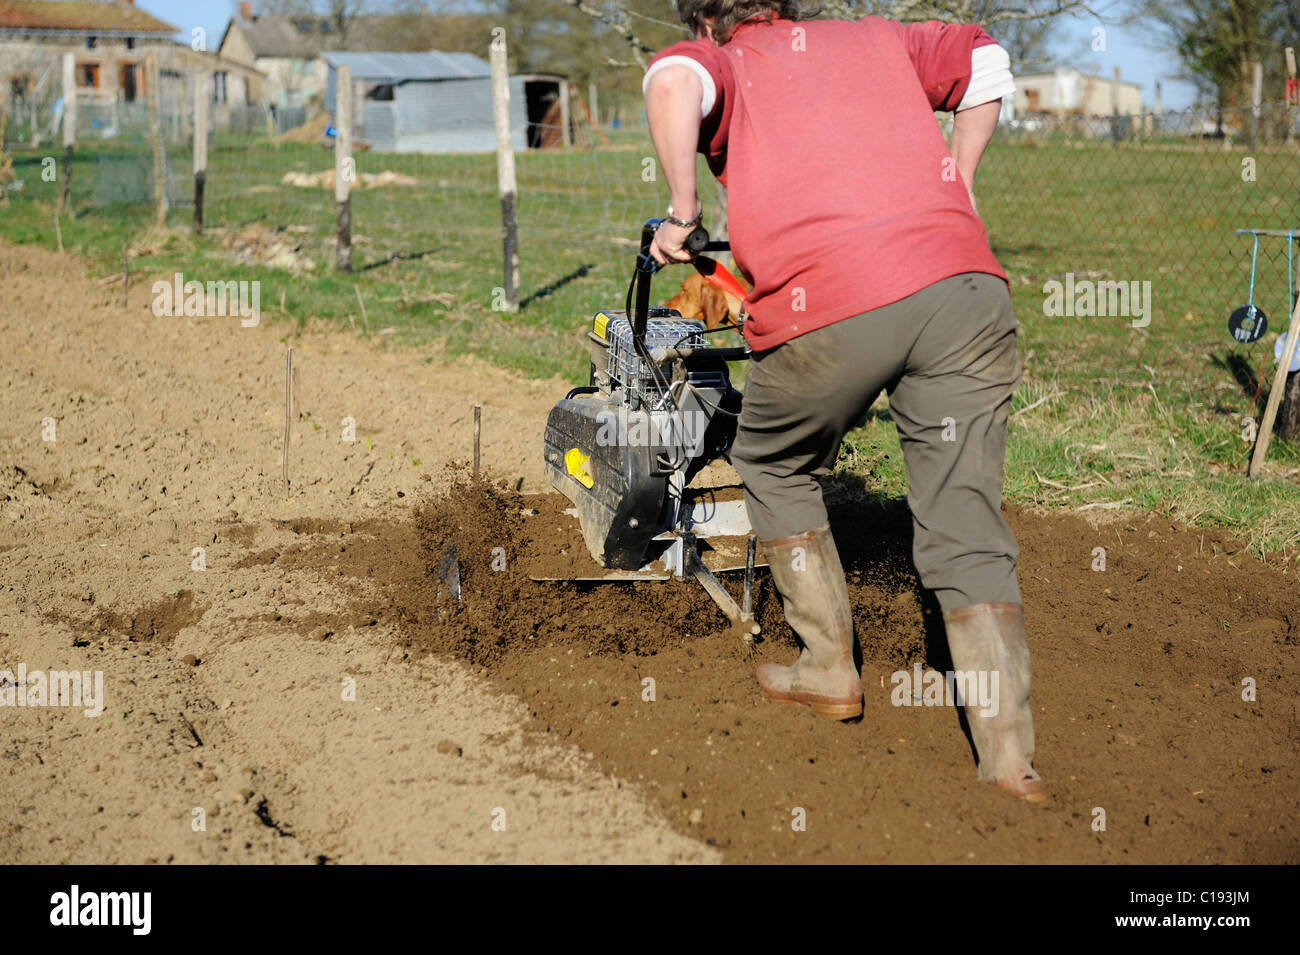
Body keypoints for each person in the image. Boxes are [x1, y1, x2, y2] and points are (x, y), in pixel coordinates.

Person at [643, 1, 1046, 801]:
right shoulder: (881, 36)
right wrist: (959, 186)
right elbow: (988, 63)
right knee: (965, 520)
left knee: (770, 455)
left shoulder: (726, 57)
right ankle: (1009, 757)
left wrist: (683, 211)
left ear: (708, 19)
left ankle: (828, 667)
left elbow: (673, 78)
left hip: (832, 302)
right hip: (965, 290)